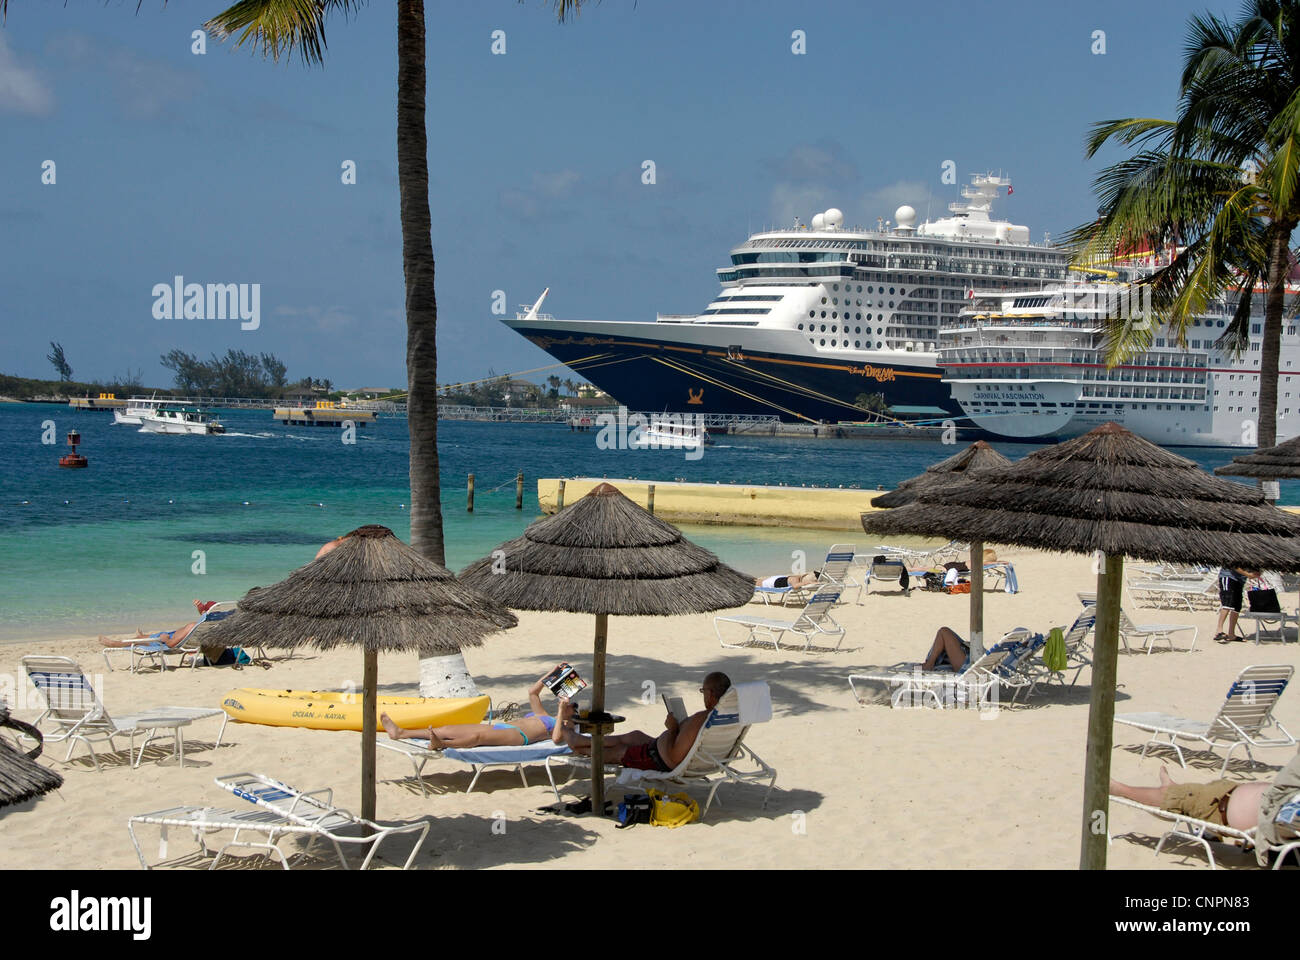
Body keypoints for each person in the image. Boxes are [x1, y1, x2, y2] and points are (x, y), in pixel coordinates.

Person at [552, 671, 731, 772]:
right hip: (673, 752)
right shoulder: (728, 718)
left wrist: (673, 729)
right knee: (634, 736)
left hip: (659, 759)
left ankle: (581, 746)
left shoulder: (701, 719)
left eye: (703, 691)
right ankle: (583, 742)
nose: (703, 694)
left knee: (620, 751)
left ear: (711, 694)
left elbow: (674, 757)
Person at [380, 671, 560, 748]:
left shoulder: (562, 726)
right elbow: (533, 693)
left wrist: (565, 708)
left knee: (477, 738)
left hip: (519, 736)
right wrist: (554, 673)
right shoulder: (543, 714)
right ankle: (401, 732)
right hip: (501, 727)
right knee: (447, 729)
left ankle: (442, 744)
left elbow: (560, 738)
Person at [1111, 766, 1272, 831]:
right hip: (1225, 792)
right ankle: (1171, 786)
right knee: (1189, 793)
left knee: (1175, 799)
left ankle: (1121, 790)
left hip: (1217, 807)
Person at [99, 599, 215, 649]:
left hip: (166, 640)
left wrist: (164, 639)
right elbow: (204, 614)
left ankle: (113, 643)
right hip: (173, 636)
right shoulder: (208, 627)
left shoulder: (192, 626)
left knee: (139, 639)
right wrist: (201, 607)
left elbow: (170, 645)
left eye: (203, 610)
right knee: (144, 637)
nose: (201, 611)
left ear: (205, 613)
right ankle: (143, 636)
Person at [1215, 565, 1261, 643]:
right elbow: (1232, 564)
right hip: (1228, 577)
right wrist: (1248, 575)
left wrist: (1256, 573)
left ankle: (1231, 634)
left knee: (1236, 607)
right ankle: (1219, 631)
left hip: (1240, 580)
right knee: (1227, 603)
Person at [753, 571, 820, 590]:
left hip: (776, 580)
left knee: (757, 581)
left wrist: (807, 581)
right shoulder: (796, 579)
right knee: (756, 582)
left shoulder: (796, 579)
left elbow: (795, 586)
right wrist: (808, 582)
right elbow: (795, 586)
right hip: (776, 580)